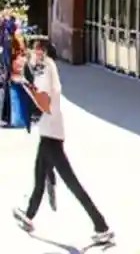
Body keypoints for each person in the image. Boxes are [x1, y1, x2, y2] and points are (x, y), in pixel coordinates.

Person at [11, 39, 114, 245]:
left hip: (52, 135)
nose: (35, 52)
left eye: (39, 49)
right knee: (39, 175)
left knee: (71, 182)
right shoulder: (48, 69)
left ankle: (101, 225)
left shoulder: (47, 69)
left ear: (46, 52)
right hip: (49, 132)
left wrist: (23, 83)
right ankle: (29, 215)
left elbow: (44, 101)